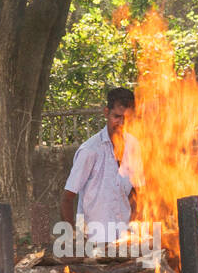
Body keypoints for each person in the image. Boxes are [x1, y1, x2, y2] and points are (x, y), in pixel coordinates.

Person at [60, 87, 143, 241]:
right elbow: (67, 199)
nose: (121, 123)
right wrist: (74, 238)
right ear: (106, 112)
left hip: (124, 239)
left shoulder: (133, 145)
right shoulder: (89, 150)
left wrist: (134, 226)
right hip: (92, 239)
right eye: (117, 117)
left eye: (127, 118)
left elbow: (137, 192)